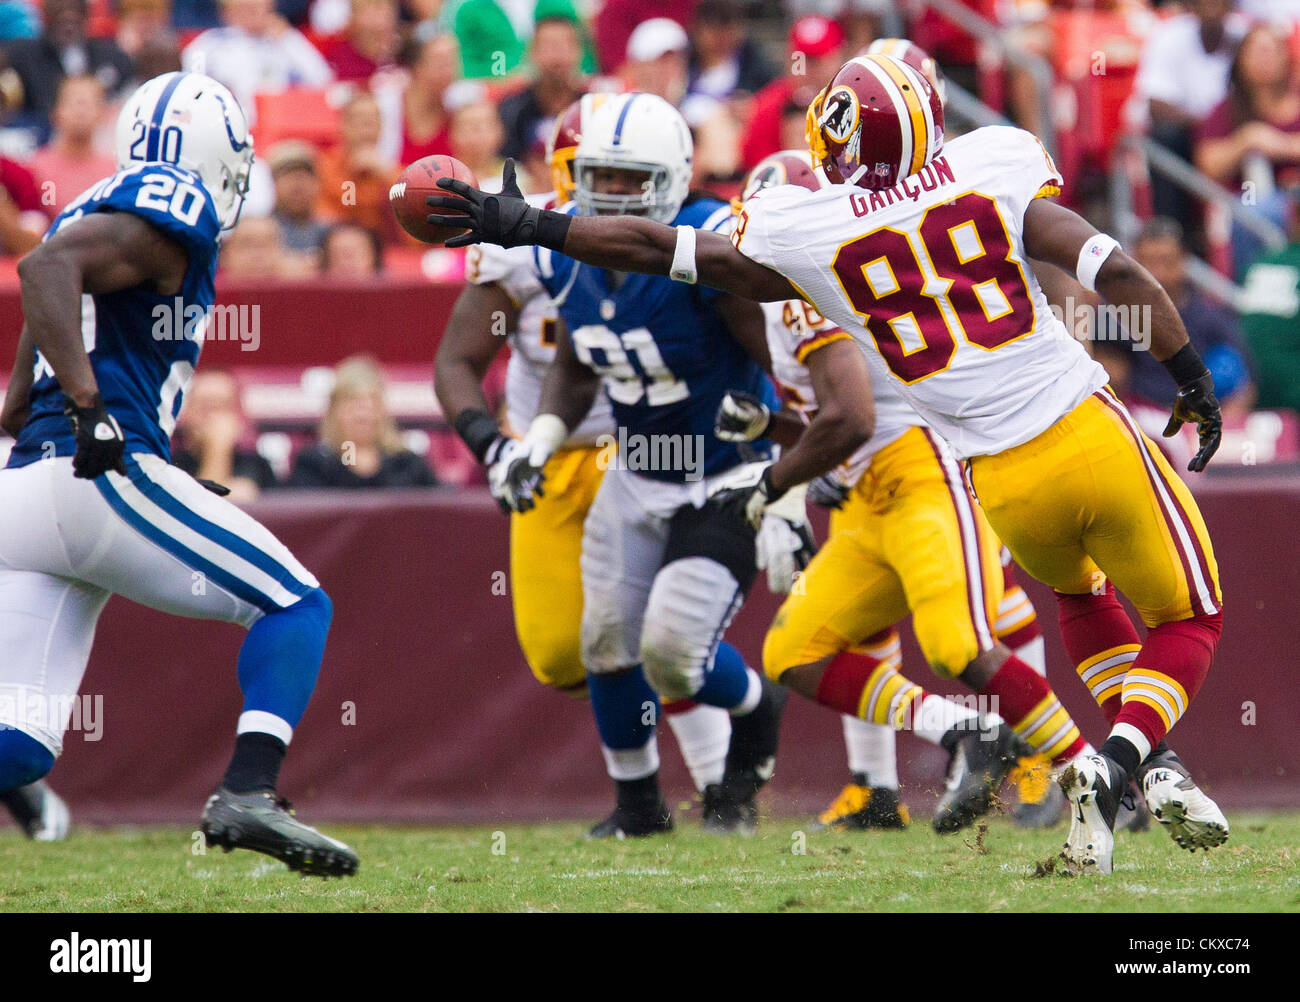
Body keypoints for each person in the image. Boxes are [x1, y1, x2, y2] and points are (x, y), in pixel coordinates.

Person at [430, 52, 1232, 875]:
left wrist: (528, 225)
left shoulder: (812, 231)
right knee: (1189, 619)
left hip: (996, 480)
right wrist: (1194, 382)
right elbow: (1117, 270)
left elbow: (660, 249)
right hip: (1070, 429)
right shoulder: (996, 158)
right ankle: (1117, 764)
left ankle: (1144, 768)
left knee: (1077, 596)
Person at [0, 71, 357, 876]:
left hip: (28, 493)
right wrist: (93, 411)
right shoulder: (177, 200)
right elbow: (44, 273)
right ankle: (249, 791)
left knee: (17, 748)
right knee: (295, 603)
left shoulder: (91, 205)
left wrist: (62, 410)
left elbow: (25, 373)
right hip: (94, 477)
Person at [485, 93, 792, 836]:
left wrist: (787, 493)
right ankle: (638, 806)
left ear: (675, 176)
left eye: (631, 180)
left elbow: (787, 370)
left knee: (673, 656)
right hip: (636, 476)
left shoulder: (710, 241)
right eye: (601, 177)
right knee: (606, 641)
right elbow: (579, 364)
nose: (613, 194)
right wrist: (540, 440)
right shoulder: (568, 254)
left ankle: (756, 703)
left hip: (726, 478)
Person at [730, 149, 1062, 836]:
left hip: (924, 475)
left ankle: (1081, 769)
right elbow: (840, 414)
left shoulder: (807, 292)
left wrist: (773, 483)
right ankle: (968, 732)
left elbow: (854, 416)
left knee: (961, 641)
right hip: (868, 493)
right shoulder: (788, 299)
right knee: (793, 651)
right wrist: (775, 426)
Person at [1100, 217, 1254, 414]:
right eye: (1148, 262)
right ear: (1133, 262)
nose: (1158, 273)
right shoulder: (1112, 317)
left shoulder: (1212, 318)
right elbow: (1106, 381)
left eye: (1167, 262)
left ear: (1184, 262)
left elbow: (1245, 383)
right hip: (1136, 420)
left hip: (1197, 422)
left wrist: (1220, 421)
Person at [1196, 23, 1300, 274]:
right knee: (1253, 213)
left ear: (1286, 57)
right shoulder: (1225, 111)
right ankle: (1251, 290)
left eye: (1270, 50)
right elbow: (1208, 164)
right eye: (1254, 51)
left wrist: (1277, 144)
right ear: (1240, 60)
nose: (1263, 59)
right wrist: (1246, 140)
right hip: (1253, 198)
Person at [1134, 0, 1245, 230]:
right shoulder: (1170, 35)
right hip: (1187, 137)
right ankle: (1172, 231)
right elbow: (1156, 104)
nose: (1212, 7)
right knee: (1166, 136)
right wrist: (1208, 124)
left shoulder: (1244, 36)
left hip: (1232, 136)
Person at [289, 356, 436, 488]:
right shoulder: (314, 466)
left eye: (371, 402)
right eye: (353, 402)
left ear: (382, 410)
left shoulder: (406, 465)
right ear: (335, 410)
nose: (363, 414)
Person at [0, 0, 133, 146]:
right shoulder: (21, 55)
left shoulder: (112, 56)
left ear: (87, 15)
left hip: (101, 138)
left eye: (75, 11)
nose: (68, 19)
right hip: (36, 139)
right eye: (59, 10)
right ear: (45, 15)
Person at [181, 0, 334, 121]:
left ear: (270, 6)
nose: (251, 12)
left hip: (279, 125)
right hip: (226, 123)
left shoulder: (287, 42)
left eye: (256, 6)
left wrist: (288, 39)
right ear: (226, 11)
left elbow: (323, 81)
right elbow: (189, 86)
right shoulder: (208, 44)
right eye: (243, 7)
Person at [172, 369, 277, 504]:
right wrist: (216, 447)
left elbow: (237, 499)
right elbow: (200, 507)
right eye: (204, 406)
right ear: (185, 411)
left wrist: (219, 445)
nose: (212, 417)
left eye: (222, 406)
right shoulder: (169, 464)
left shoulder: (255, 464)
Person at [497, 15, 585, 165]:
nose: (557, 57)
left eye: (565, 46)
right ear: (532, 53)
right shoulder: (512, 109)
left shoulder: (591, 107)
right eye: (549, 47)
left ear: (579, 52)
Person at [25, 75, 117, 217]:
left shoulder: (114, 171)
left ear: (102, 113)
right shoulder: (35, 169)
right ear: (56, 111)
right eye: (73, 102)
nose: (80, 112)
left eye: (88, 104)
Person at [316, 90, 398, 241]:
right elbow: (329, 218)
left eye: (374, 121)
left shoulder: (393, 172)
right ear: (342, 125)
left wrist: (387, 176)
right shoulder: (324, 167)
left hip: (384, 250)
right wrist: (352, 174)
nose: (367, 128)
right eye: (360, 121)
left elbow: (417, 215)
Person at [267, 139, 328, 260]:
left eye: (305, 175)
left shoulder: (331, 233)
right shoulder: (257, 232)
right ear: (273, 183)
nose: (297, 183)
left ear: (317, 183)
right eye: (288, 175)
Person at [318, 0, 400, 82]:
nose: (382, 18)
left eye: (387, 8)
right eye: (375, 9)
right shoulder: (336, 58)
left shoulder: (404, 53)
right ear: (352, 15)